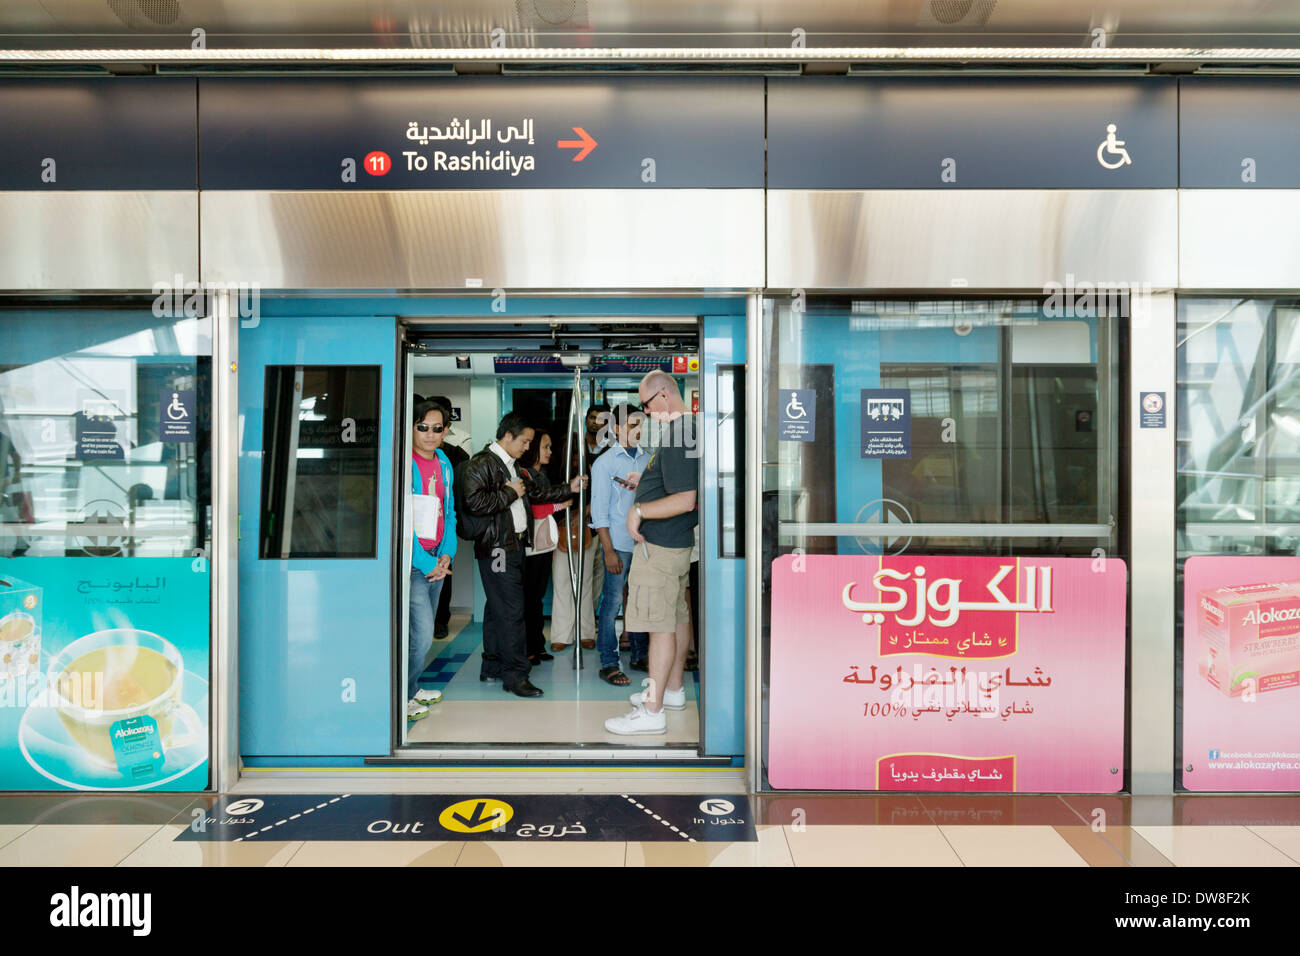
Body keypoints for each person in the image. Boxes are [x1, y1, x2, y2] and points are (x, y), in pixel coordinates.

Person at [460, 411, 586, 698]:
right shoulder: (481, 465)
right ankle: (516, 675)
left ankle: (492, 665)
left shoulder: (511, 465)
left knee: (497, 609)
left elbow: (535, 494)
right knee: (512, 610)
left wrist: (569, 488)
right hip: (497, 548)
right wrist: (509, 493)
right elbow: (474, 503)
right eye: (525, 441)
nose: (527, 447)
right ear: (507, 436)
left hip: (514, 544)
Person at [606, 372, 697, 735]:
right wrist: (644, 482)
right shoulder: (687, 432)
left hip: (658, 547)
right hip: (676, 544)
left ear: (662, 395)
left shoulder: (678, 435)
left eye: (644, 405)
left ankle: (652, 709)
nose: (644, 414)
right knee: (677, 617)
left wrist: (639, 510)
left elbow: (685, 499)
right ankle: (672, 690)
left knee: (659, 626)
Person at [588, 403, 650, 686]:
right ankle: (609, 663)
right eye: (632, 425)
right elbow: (599, 511)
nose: (638, 430)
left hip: (643, 544)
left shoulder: (648, 459)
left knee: (639, 602)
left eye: (641, 424)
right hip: (618, 543)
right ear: (616, 428)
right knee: (612, 604)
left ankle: (639, 655)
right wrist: (609, 550)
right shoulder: (605, 463)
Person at [407, 398, 457, 720]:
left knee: (421, 637)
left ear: (445, 431)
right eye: (422, 427)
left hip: (438, 560)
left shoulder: (444, 462)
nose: (429, 434)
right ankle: (402, 696)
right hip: (413, 564)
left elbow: (449, 514)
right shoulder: (405, 462)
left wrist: (446, 555)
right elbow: (401, 522)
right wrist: (428, 565)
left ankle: (411, 689)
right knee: (422, 634)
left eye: (436, 428)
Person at [517, 426, 569, 666]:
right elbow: (535, 509)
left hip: (543, 544)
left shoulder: (541, 474)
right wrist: (561, 505)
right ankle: (527, 647)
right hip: (530, 546)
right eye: (545, 447)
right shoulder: (524, 474)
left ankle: (536, 645)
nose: (550, 452)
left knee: (536, 598)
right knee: (529, 598)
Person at [551, 437, 599, 653]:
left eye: (580, 455)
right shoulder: (555, 474)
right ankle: (561, 634)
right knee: (562, 583)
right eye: (573, 456)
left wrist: (583, 512)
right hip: (561, 532)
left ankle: (586, 632)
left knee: (585, 584)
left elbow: (599, 499)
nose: (576, 460)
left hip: (588, 530)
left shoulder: (594, 471)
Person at [429, 396, 469, 640]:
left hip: (444, 525)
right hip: (417, 534)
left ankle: (440, 620)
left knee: (444, 570)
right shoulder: (408, 455)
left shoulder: (452, 455)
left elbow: (460, 493)